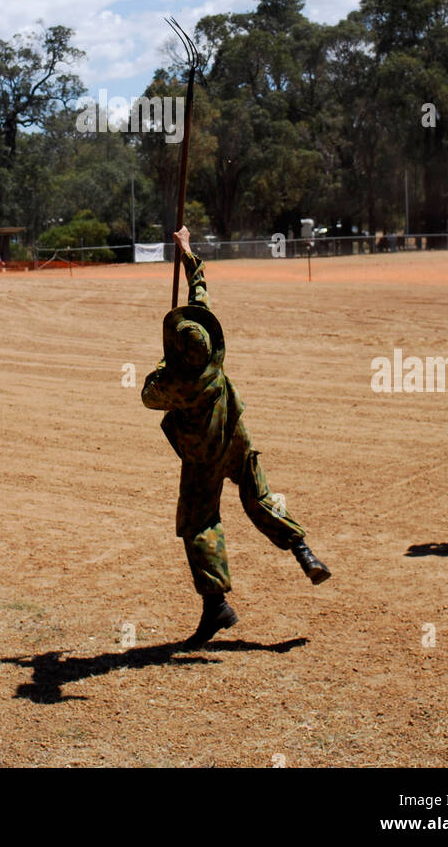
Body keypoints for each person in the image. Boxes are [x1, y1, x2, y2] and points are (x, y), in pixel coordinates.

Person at [141, 226, 331, 646]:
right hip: (237, 440)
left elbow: (148, 395)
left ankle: (216, 605)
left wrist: (162, 361)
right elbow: (200, 291)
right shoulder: (211, 362)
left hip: (203, 457)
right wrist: (187, 251)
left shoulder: (176, 384)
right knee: (258, 500)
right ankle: (302, 549)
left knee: (199, 523)